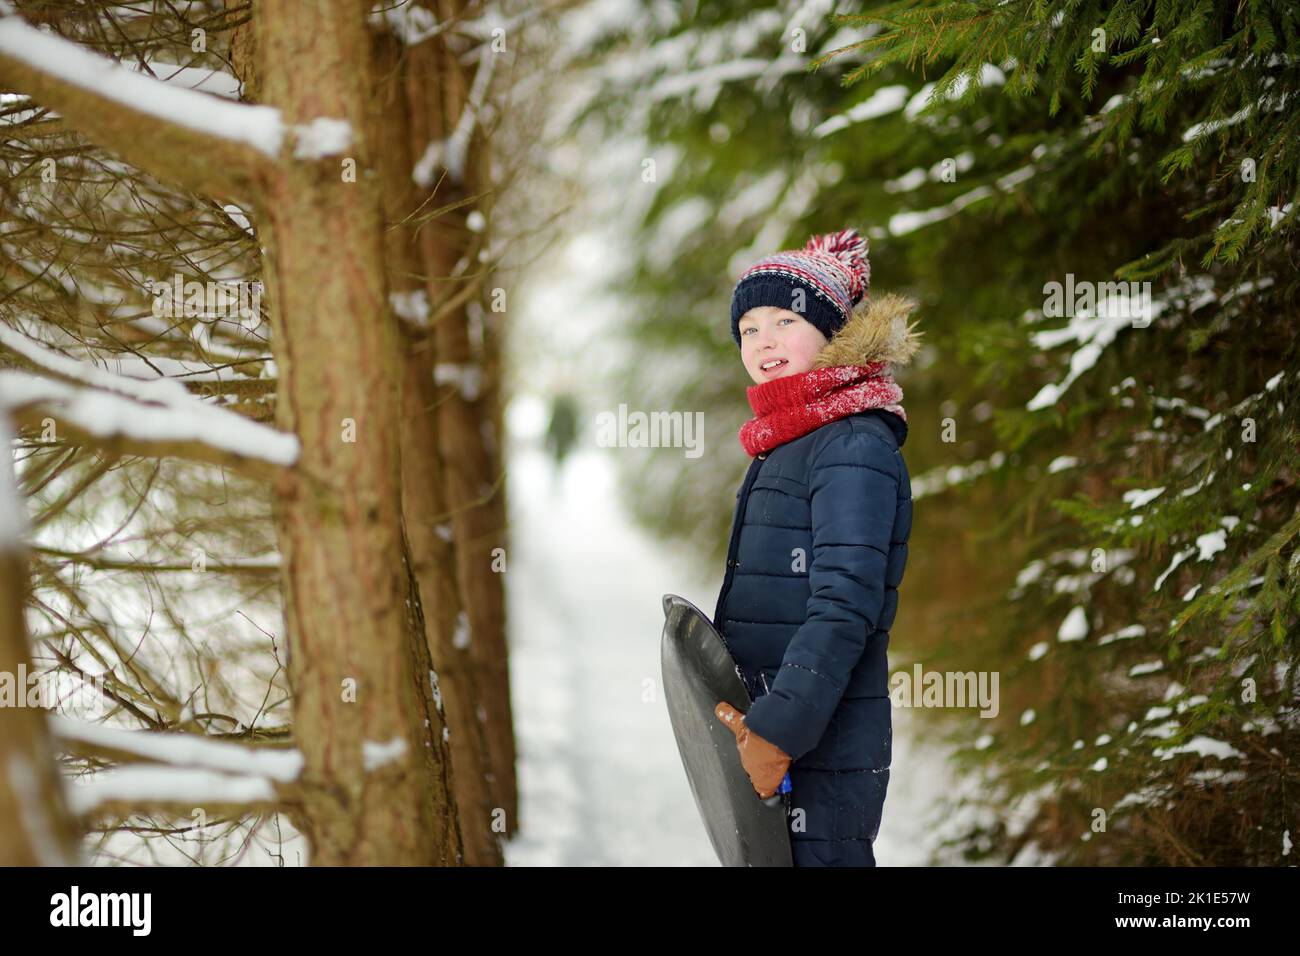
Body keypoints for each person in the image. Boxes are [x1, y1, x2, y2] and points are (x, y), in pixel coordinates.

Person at [711, 227, 922, 867]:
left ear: (832, 333)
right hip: (779, 731)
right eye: (748, 328)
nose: (764, 340)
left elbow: (844, 604)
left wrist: (778, 731)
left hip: (818, 746)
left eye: (784, 320)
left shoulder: (852, 443)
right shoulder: (793, 438)